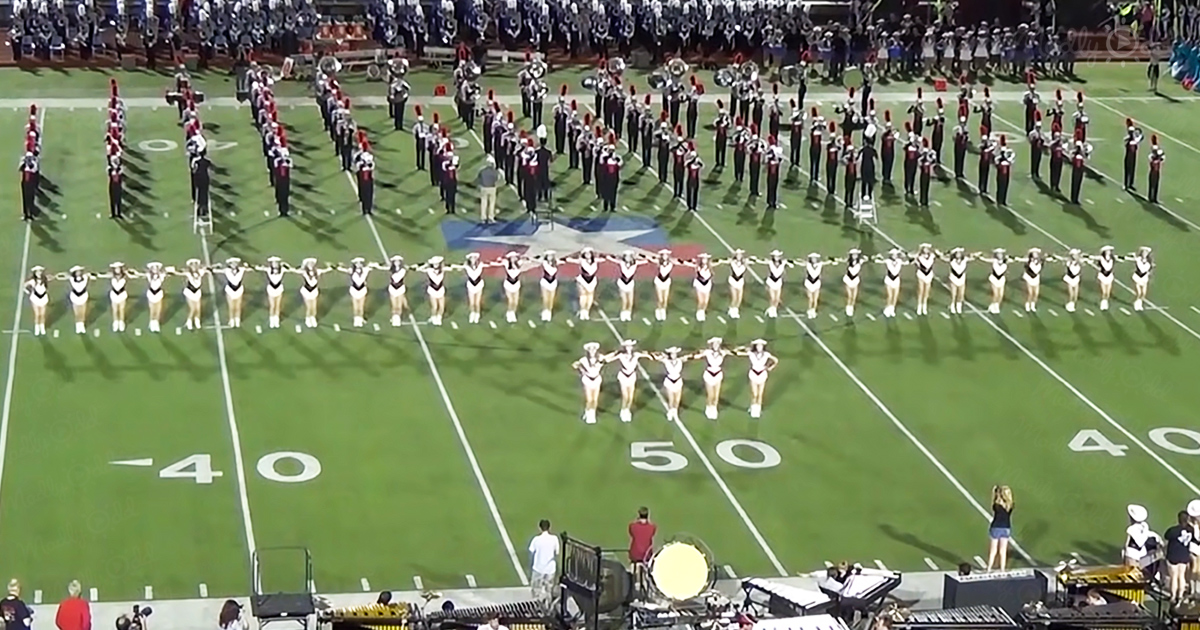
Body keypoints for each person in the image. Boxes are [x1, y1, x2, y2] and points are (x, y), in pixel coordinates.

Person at [528, 519, 560, 608]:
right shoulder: (554, 539)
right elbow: (557, 553)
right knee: (549, 590)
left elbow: (531, 551)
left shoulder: (536, 539)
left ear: (540, 528)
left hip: (538, 568)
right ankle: (548, 608)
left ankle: (536, 608)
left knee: (536, 590)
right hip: (550, 569)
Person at [1164, 510, 1193, 602]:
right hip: (1184, 555)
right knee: (1181, 576)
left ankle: (1173, 596)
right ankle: (1180, 595)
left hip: (1174, 555)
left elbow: (1166, 536)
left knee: (1174, 577)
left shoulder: (1174, 530)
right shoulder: (1191, 529)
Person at [986, 485, 1013, 571]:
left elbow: (994, 504)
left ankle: (989, 568)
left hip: (996, 527)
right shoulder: (1010, 505)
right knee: (1003, 551)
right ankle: (1002, 569)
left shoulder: (997, 505)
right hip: (1006, 528)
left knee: (993, 550)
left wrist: (995, 493)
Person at [629, 507, 657, 591]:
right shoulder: (652, 527)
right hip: (646, 555)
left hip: (635, 554)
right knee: (646, 576)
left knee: (634, 573)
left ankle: (634, 588)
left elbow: (631, 532)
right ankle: (645, 589)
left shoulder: (633, 526)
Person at [477, 155, 501, 224]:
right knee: (492, 203)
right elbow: (497, 179)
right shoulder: (494, 172)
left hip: (484, 188)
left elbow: (479, 178)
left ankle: (483, 218)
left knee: (484, 203)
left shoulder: (482, 171)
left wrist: (481, 184)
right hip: (492, 188)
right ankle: (491, 217)